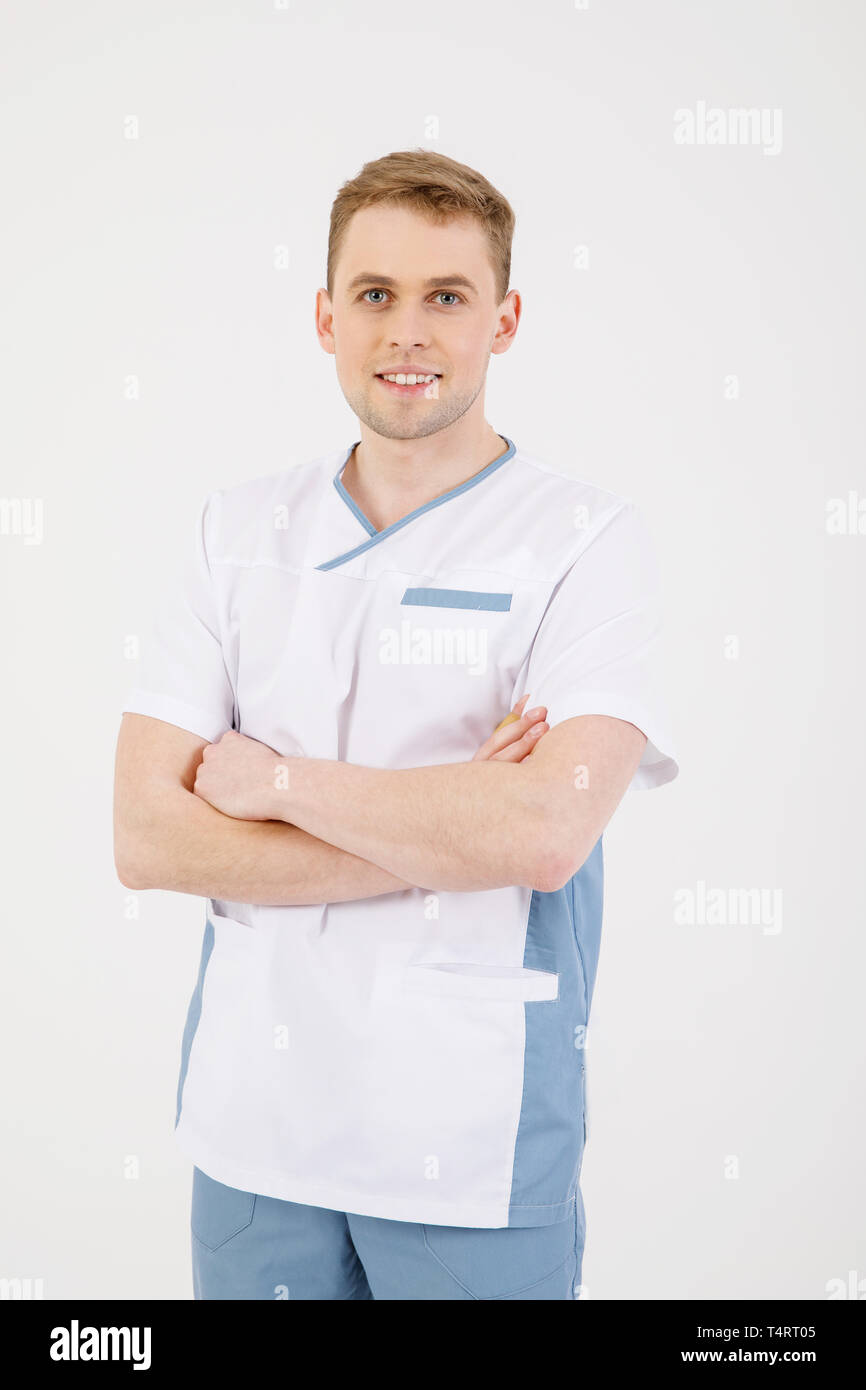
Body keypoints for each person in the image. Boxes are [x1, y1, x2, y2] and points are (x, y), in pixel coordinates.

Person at [114, 148, 679, 1301]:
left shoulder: (583, 539)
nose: (405, 332)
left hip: (467, 1142)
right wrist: (441, 824)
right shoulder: (234, 530)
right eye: (374, 295)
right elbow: (145, 838)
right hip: (252, 1138)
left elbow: (539, 836)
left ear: (504, 319)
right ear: (324, 318)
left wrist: (272, 783)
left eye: (446, 297)